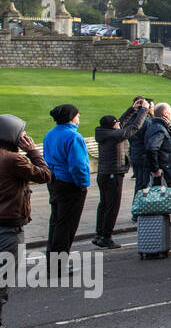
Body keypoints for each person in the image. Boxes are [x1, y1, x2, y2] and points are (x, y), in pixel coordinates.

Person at [0, 115, 51, 328]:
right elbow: (45, 175)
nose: (24, 138)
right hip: (8, 226)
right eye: (21, 134)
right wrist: (32, 151)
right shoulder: (13, 160)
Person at [43, 104, 91, 276]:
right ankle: (58, 266)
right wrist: (83, 184)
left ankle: (52, 262)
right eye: (78, 115)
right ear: (72, 117)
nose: (79, 118)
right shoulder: (73, 136)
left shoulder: (50, 134)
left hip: (54, 181)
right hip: (70, 183)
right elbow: (78, 165)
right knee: (67, 226)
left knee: (56, 222)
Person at [91, 115, 130, 248]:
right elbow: (134, 127)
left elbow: (122, 122)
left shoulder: (104, 133)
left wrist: (133, 109)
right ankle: (106, 237)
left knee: (104, 204)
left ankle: (99, 234)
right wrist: (143, 110)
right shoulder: (115, 135)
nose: (119, 123)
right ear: (113, 125)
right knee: (112, 206)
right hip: (113, 173)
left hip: (103, 173)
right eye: (117, 123)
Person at [144, 103, 171, 189]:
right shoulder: (160, 128)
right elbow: (151, 148)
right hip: (163, 170)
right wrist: (156, 169)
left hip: (163, 167)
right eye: (170, 111)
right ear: (165, 113)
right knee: (162, 197)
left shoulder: (156, 126)